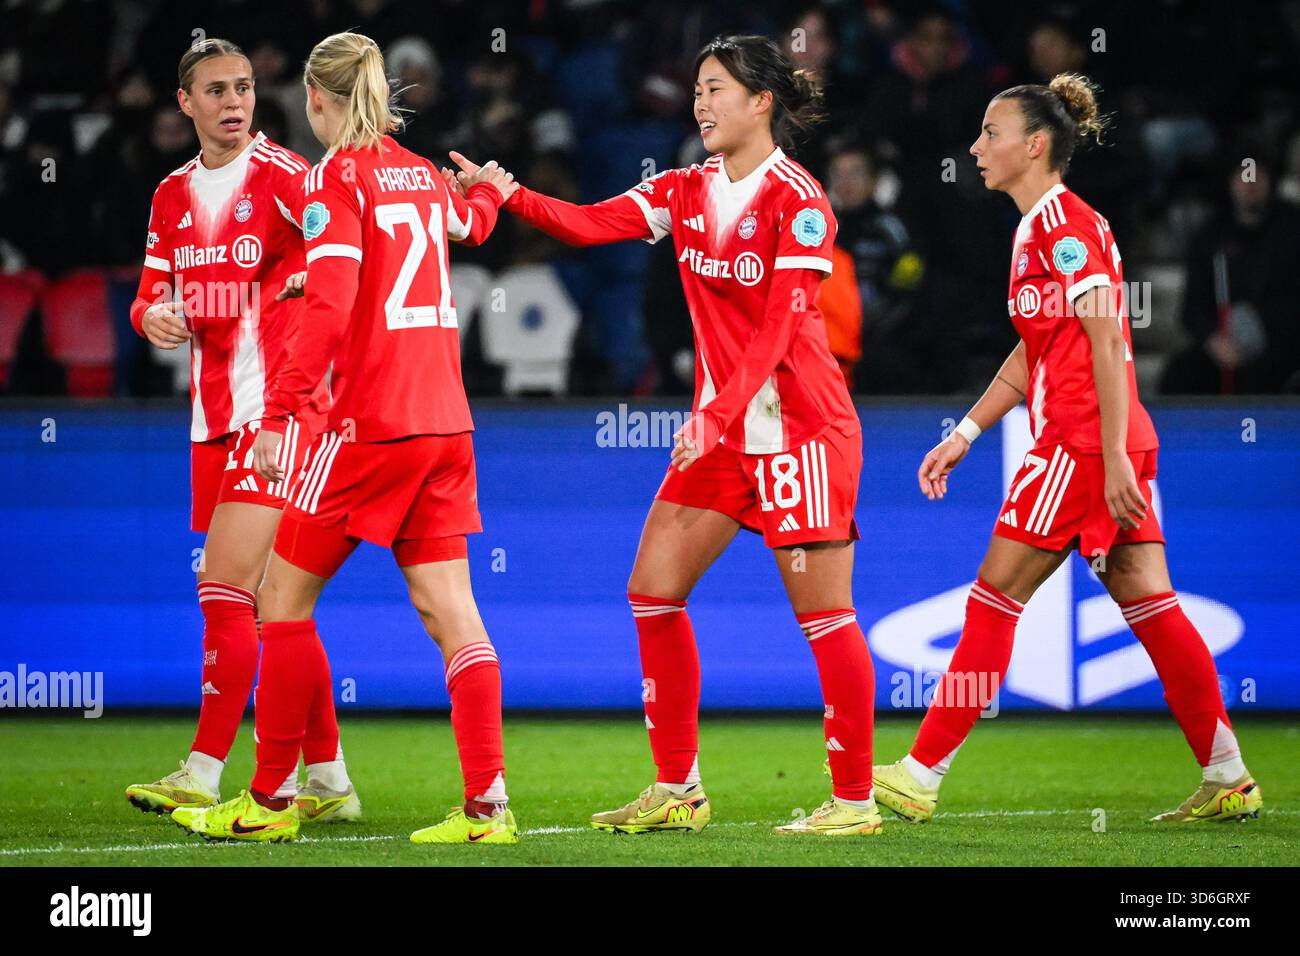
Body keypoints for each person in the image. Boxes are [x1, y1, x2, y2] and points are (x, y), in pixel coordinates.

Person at [452, 34, 881, 837]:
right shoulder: (684, 190)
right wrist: (507, 193)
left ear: (762, 101)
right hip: (721, 436)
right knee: (652, 590)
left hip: (802, 432)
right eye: (695, 89)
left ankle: (854, 802)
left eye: (716, 88)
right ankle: (678, 788)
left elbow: (784, 328)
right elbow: (584, 226)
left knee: (825, 616)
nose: (700, 102)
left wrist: (715, 414)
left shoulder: (800, 200)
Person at [872, 74, 1263, 825]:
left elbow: (1111, 335)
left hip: (1083, 441)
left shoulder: (1065, 228)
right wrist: (964, 433)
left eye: (991, 132)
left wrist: (1110, 454)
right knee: (1151, 604)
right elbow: (1035, 353)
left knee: (993, 596)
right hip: (1106, 440)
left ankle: (921, 772)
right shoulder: (1038, 227)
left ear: (1036, 145)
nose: (976, 147)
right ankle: (1228, 775)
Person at [171, 32, 520, 845]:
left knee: (279, 602)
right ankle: (487, 808)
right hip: (448, 426)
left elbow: (328, 308)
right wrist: (494, 193)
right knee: (454, 615)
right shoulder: (424, 175)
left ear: (316, 101)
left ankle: (268, 801)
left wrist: (283, 413)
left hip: (370, 427)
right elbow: (469, 227)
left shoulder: (335, 178)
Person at [124, 38, 359, 823]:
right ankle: (327, 778)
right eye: (216, 90)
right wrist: (149, 312)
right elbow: (152, 290)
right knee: (274, 601)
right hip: (212, 418)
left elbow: (344, 263)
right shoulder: (169, 195)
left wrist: (307, 283)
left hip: (280, 413)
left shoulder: (292, 179)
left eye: (246, 87)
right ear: (184, 103)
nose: (234, 101)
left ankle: (203, 771)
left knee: (223, 587)